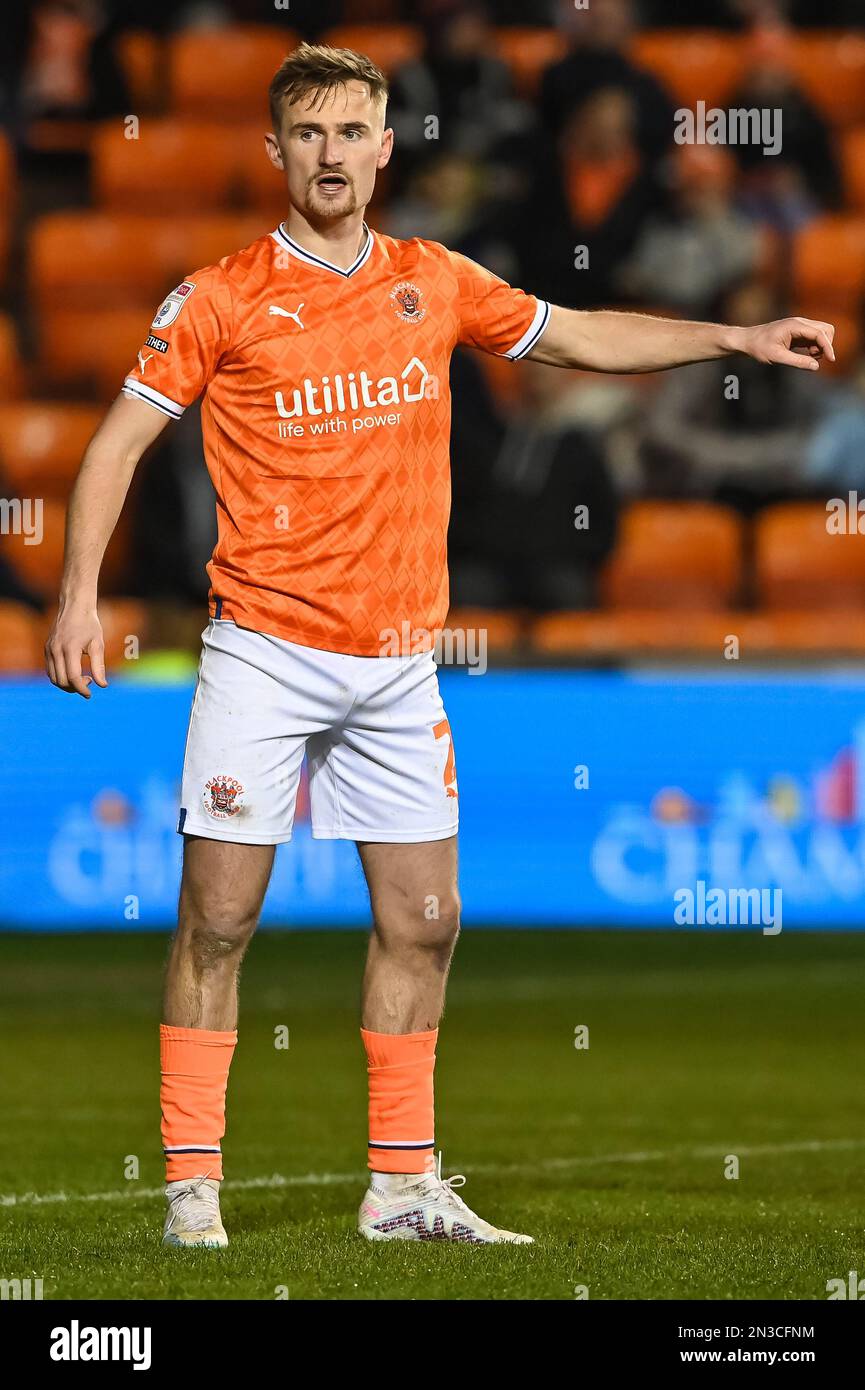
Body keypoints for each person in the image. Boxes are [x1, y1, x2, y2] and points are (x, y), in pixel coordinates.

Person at [45, 41, 835, 1248]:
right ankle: (191, 1189)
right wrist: (78, 598)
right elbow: (112, 448)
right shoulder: (220, 297)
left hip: (398, 658)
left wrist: (731, 340)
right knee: (218, 917)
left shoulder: (433, 278)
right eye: (307, 133)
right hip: (262, 647)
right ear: (276, 151)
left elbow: (575, 334)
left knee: (425, 920)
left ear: (382, 146)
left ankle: (402, 1186)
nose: (330, 154)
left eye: (351, 131)